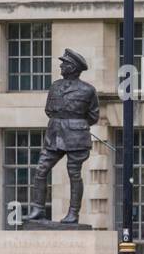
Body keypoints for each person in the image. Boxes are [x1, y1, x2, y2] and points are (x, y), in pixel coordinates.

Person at [24, 48, 98, 224]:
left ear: (72, 68)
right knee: (41, 169)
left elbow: (93, 116)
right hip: (54, 134)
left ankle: (73, 213)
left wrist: (75, 123)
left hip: (76, 137)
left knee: (74, 174)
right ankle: (38, 209)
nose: (61, 65)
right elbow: (49, 110)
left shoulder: (88, 90)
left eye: (64, 63)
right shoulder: (55, 86)